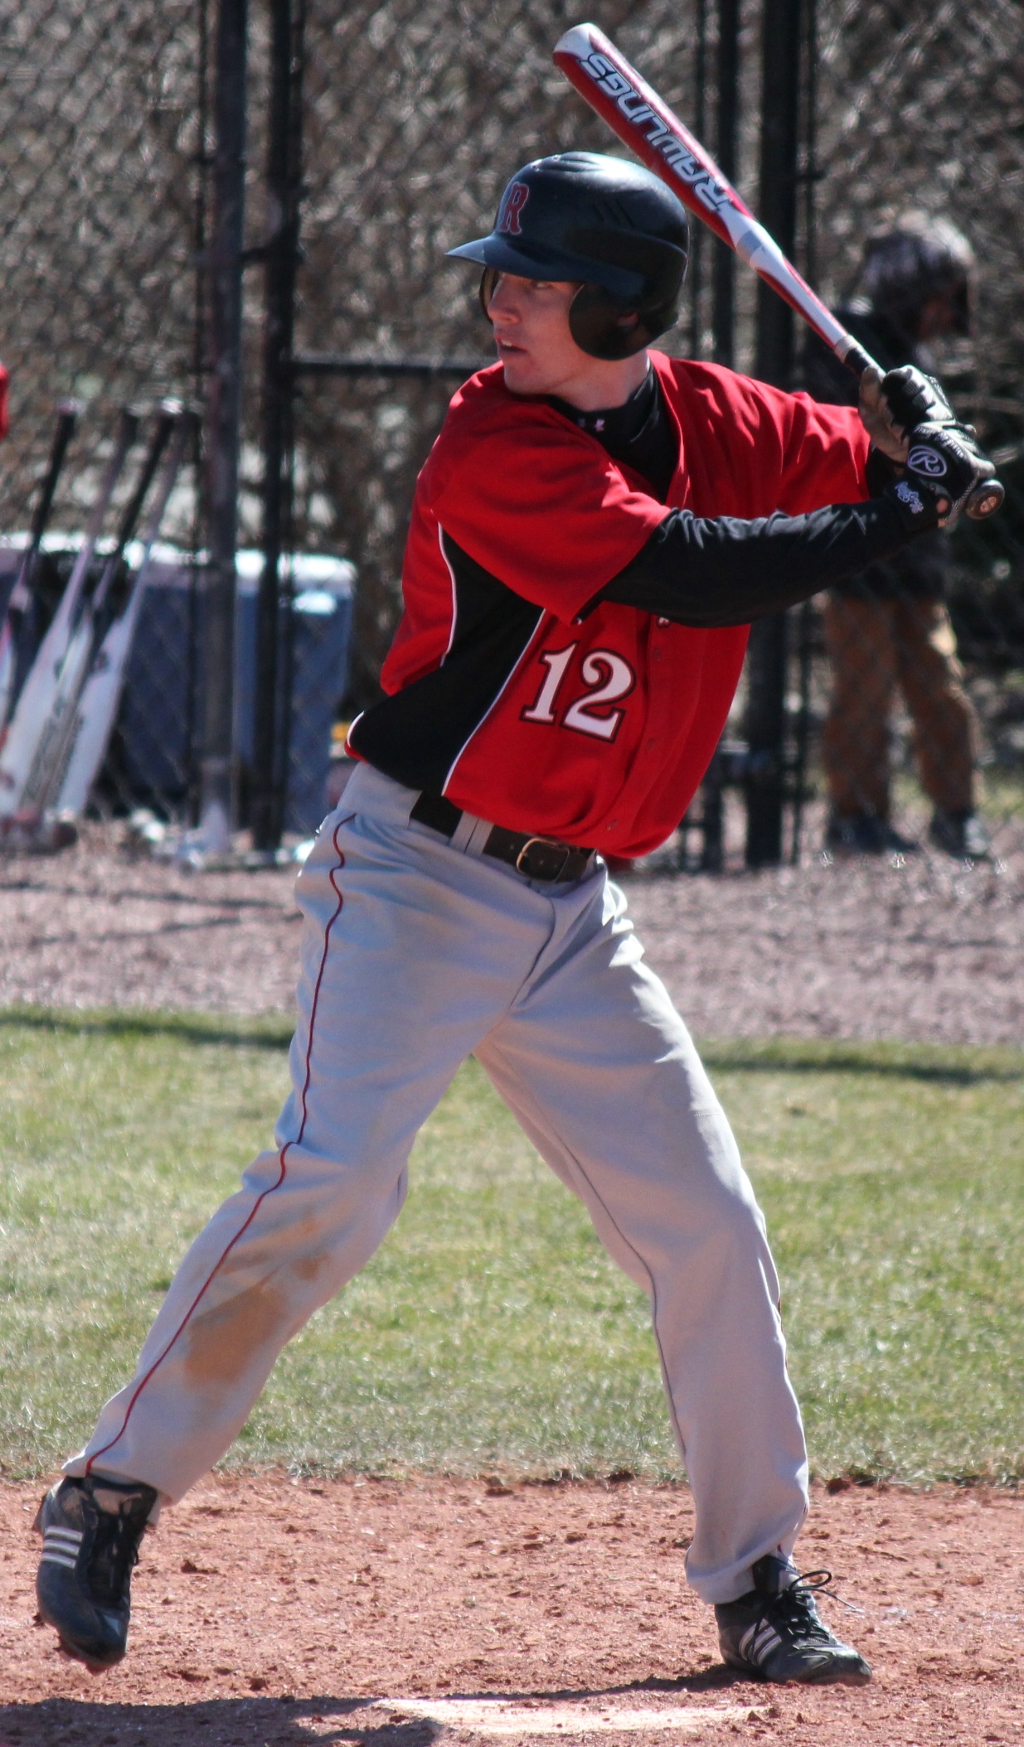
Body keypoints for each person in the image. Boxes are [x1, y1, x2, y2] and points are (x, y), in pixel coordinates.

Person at [34, 154, 993, 1687]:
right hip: (417, 875)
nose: (500, 303)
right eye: (501, 275)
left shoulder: (716, 419)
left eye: (536, 283)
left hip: (575, 913)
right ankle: (107, 1490)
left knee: (710, 1219)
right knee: (332, 1186)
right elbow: (688, 573)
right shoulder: (496, 439)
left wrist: (914, 421)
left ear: (622, 303)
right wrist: (898, 507)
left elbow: (842, 443)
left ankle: (755, 1569)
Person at [804, 213, 990, 860]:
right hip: (860, 548)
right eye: (939, 298)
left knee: (940, 681)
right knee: (864, 689)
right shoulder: (852, 345)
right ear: (910, 291)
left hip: (918, 556)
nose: (944, 315)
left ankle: (956, 812)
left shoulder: (914, 352)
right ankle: (857, 816)